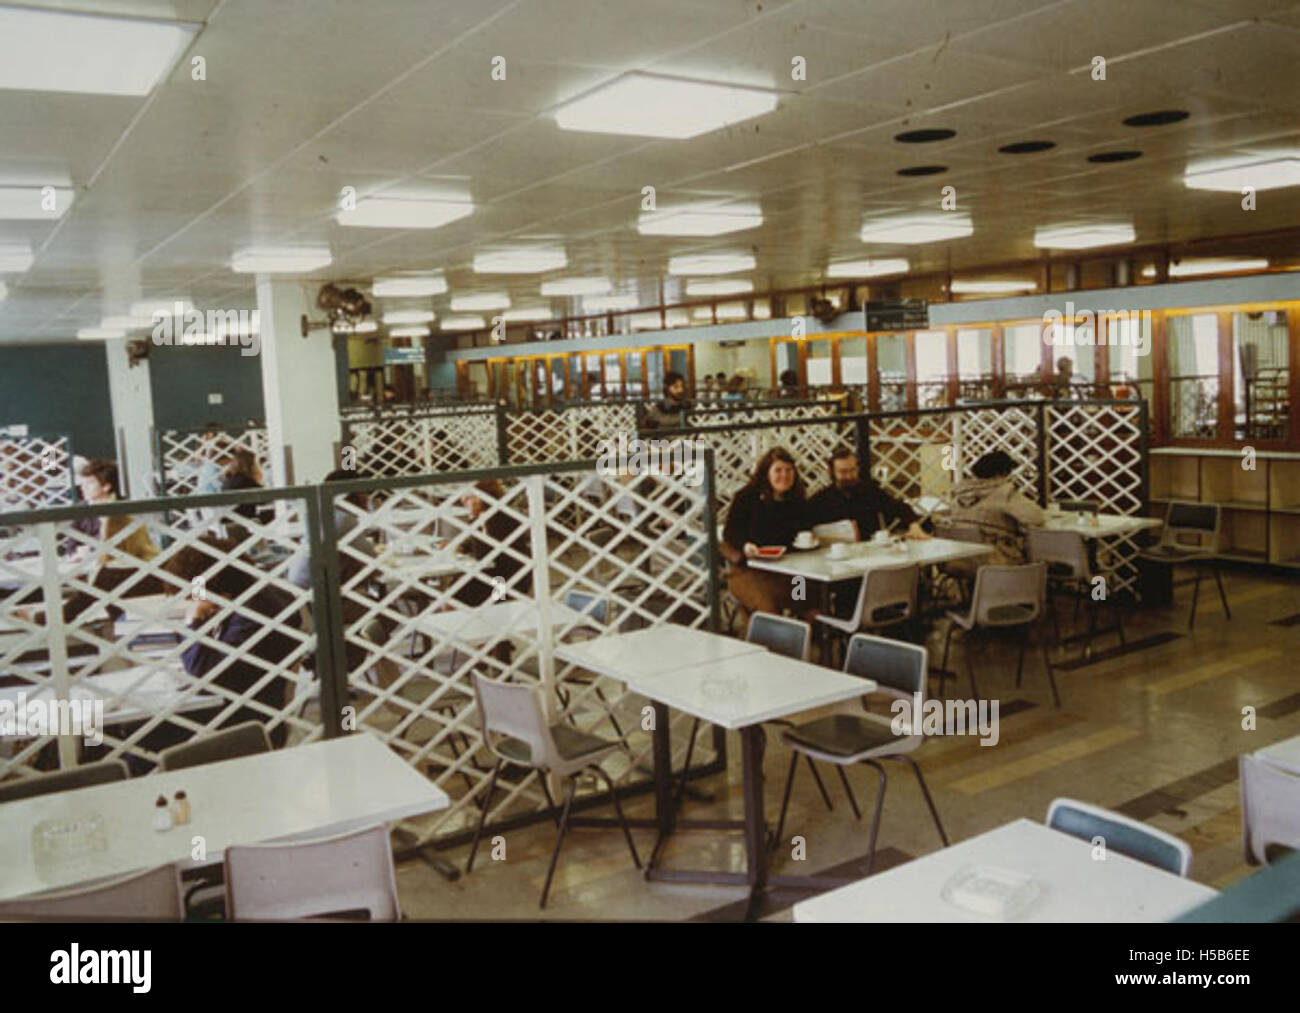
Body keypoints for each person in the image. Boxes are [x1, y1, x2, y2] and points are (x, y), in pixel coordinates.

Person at [721, 447, 817, 619]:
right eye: (778, 470)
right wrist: (745, 546)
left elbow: (805, 530)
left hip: (789, 572)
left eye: (789, 470)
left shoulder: (797, 501)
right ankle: (765, 642)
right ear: (766, 473)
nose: (784, 475)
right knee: (769, 610)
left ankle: (799, 642)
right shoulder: (747, 498)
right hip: (748, 571)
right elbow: (730, 533)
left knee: (808, 603)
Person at [947, 450, 1045, 565]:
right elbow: (1035, 517)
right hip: (995, 560)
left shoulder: (959, 494)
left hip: (958, 561)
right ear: (1000, 474)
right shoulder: (1004, 493)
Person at [808, 450, 930, 541]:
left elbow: (898, 506)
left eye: (853, 470)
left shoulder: (868, 491)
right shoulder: (820, 500)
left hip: (871, 554)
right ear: (831, 472)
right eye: (843, 472)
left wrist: (914, 526)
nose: (850, 476)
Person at [452, 479, 533, 607]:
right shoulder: (487, 516)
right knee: (455, 587)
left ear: (483, 498)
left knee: (456, 595)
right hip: (494, 574)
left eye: (469, 497)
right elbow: (473, 544)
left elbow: (484, 555)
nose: (464, 502)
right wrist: (461, 547)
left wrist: (472, 520)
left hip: (505, 581)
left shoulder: (500, 520)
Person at [220, 447, 263, 520]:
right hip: (244, 522)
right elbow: (265, 499)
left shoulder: (229, 479)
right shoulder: (246, 481)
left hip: (230, 520)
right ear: (250, 465)